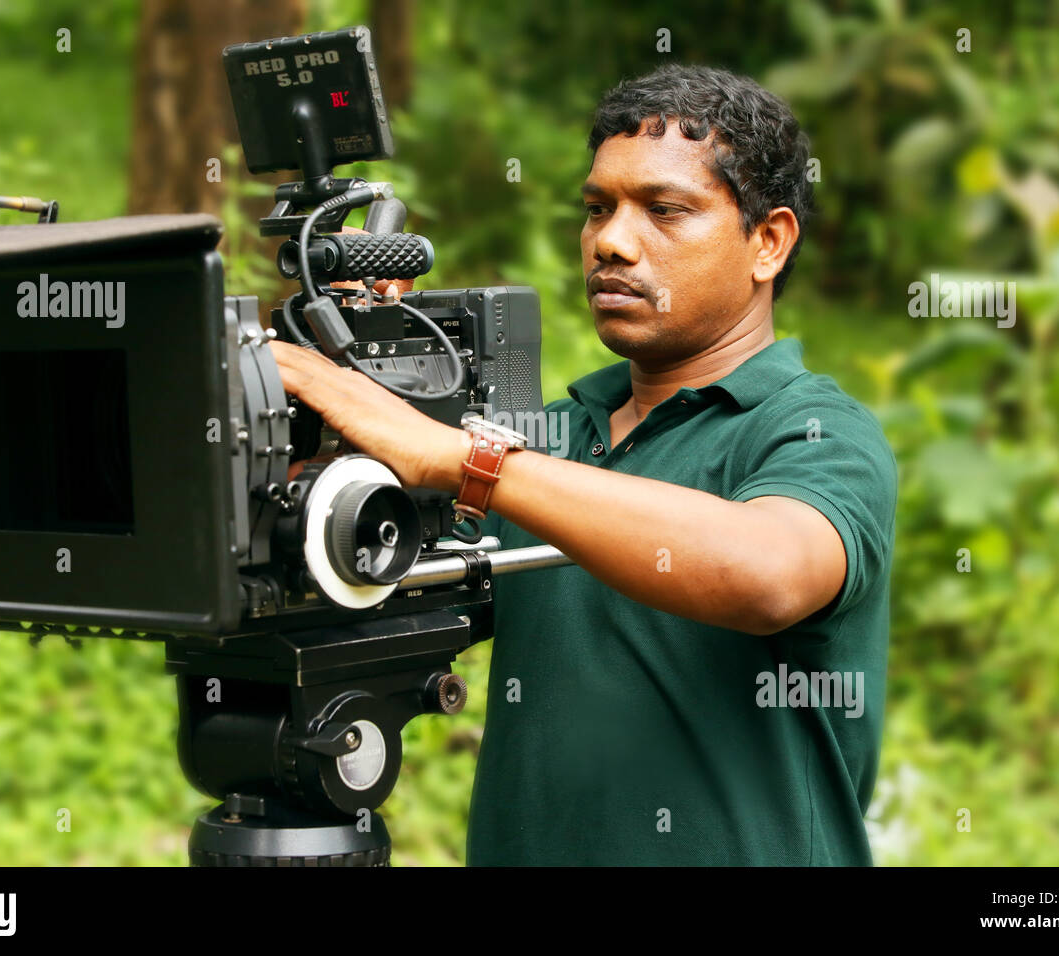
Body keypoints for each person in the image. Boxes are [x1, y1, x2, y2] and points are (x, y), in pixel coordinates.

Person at [269, 63, 897, 866]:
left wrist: (472, 458)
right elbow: (369, 571)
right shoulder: (553, 439)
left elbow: (767, 572)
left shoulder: (813, 432)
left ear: (767, 242)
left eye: (665, 210)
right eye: (597, 208)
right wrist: (353, 356)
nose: (611, 240)